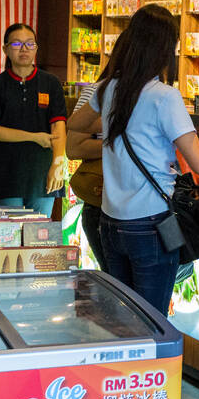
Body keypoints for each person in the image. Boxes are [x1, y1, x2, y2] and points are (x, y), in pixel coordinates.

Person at [67, 5, 199, 313]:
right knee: (151, 319)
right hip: (151, 223)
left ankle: (125, 362)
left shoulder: (109, 88)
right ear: (166, 48)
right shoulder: (165, 97)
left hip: (111, 224)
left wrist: (113, 128)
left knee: (124, 315)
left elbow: (74, 124)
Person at [0, 23, 67, 216]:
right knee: (6, 239)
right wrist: (33, 137)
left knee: (39, 238)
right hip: (5, 174)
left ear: (36, 48)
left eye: (30, 44)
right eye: (17, 44)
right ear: (5, 49)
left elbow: (59, 124)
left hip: (42, 173)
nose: (24, 49)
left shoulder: (51, 83)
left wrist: (58, 163)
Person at [67, 55, 114, 270]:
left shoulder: (158, 95)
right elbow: (73, 147)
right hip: (101, 202)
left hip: (143, 209)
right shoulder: (98, 91)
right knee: (119, 286)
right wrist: (121, 147)